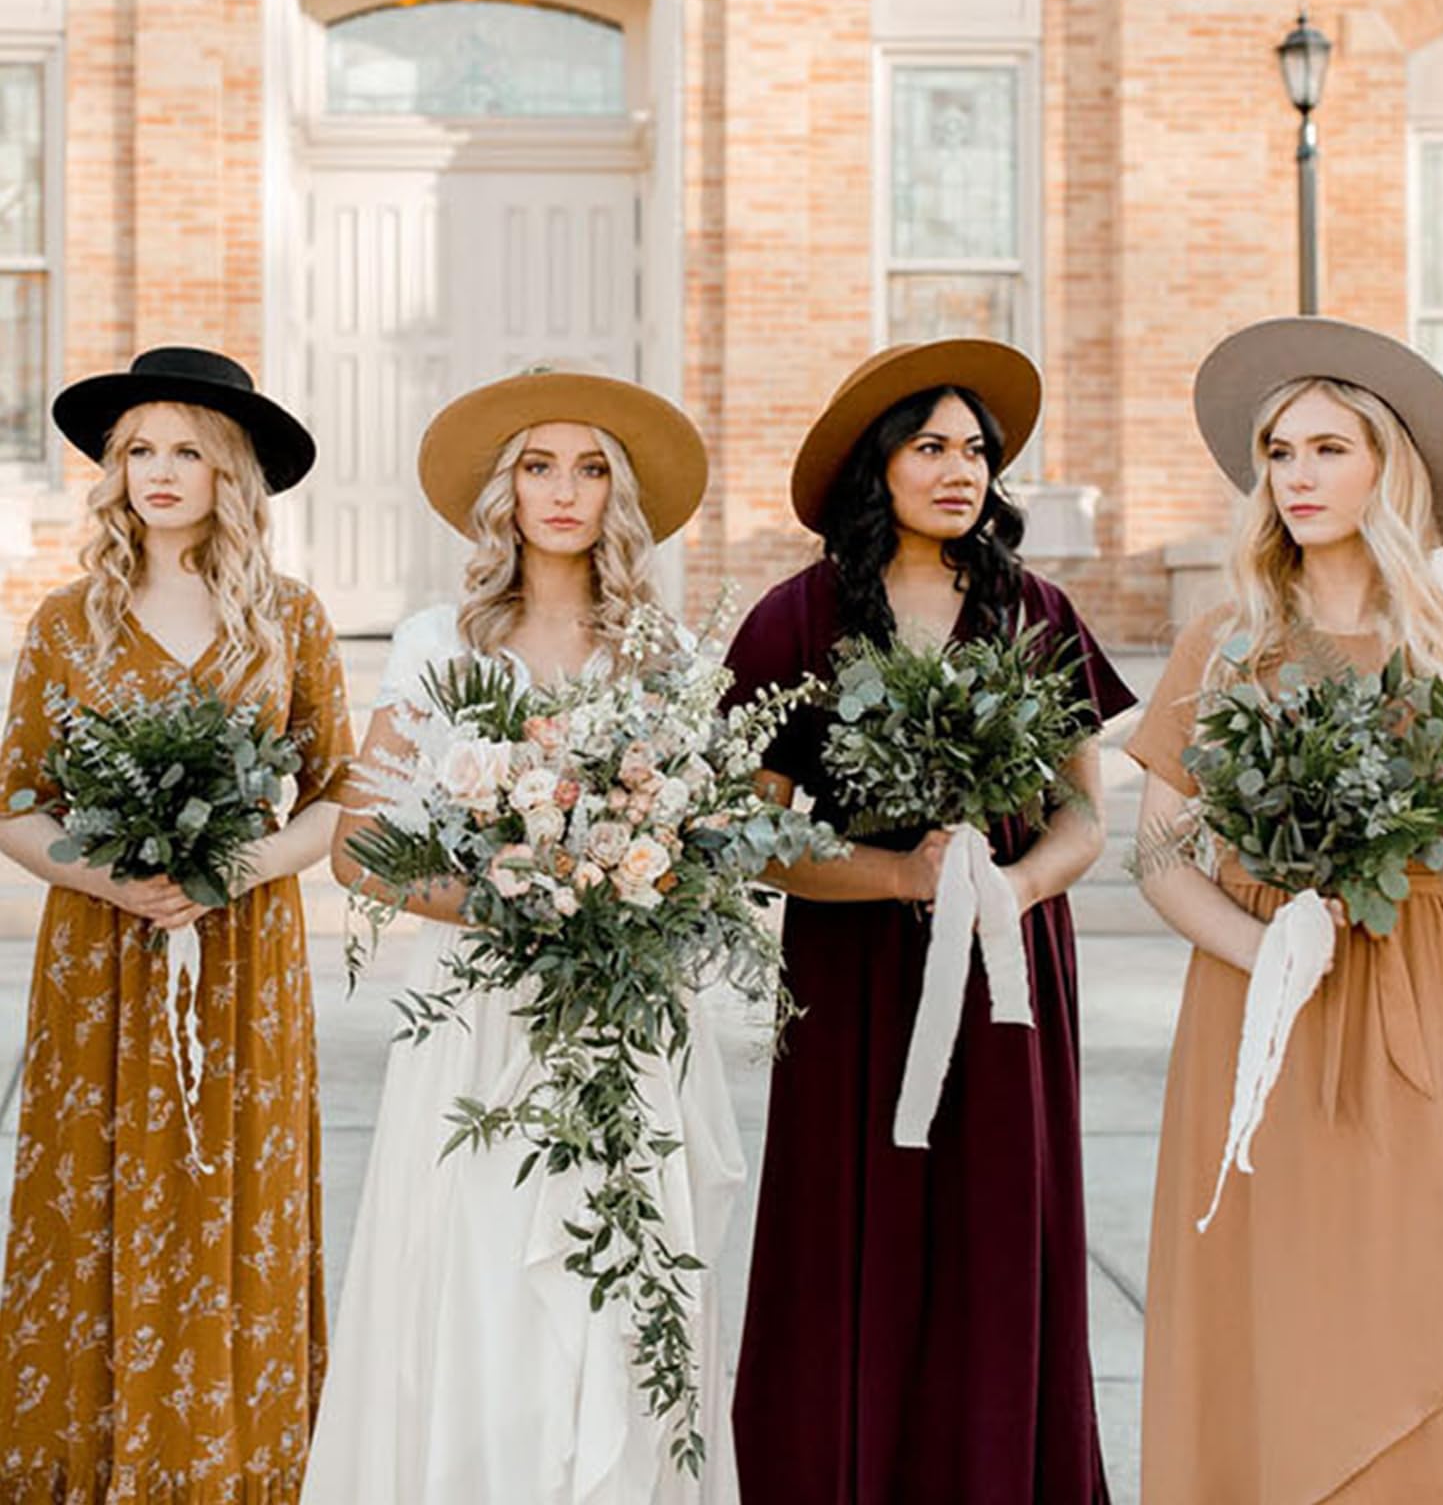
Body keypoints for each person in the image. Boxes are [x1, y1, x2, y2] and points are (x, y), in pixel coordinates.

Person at [1130, 316, 1443, 1505]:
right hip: (1252, 1020)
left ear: (1388, 467)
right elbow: (1158, 854)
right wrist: (1263, 943)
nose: (1298, 475)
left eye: (1329, 447)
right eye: (1279, 451)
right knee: (1265, 1328)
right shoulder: (1222, 645)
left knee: (1407, 1311)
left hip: (1416, 1017)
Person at [305, 366, 741, 1505]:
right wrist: (512, 905)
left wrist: (625, 892)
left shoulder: (668, 655)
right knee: (481, 1268)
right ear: (505, 491)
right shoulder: (437, 641)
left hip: (627, 1010)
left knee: (621, 1274)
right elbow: (359, 845)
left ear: (619, 494)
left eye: (591, 466)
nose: (563, 490)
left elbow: (709, 840)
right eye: (539, 465)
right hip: (481, 1008)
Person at [722, 337, 1135, 1505]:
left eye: (974, 450)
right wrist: (895, 875)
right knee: (848, 1229)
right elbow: (746, 835)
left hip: (1007, 968)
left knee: (999, 1229)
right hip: (855, 967)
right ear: (876, 465)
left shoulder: (1034, 608)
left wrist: (1008, 886)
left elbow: (1084, 820)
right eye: (928, 445)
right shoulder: (797, 616)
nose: (958, 469)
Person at [0, 345, 354, 1498]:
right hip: (100, 954)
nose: (159, 469)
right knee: (91, 1198)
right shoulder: (66, 621)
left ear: (229, 473)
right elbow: (14, 798)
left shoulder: (289, 619)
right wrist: (110, 876)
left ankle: (227, 1466)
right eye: (138, 448)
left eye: (187, 449)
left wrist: (234, 865)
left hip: (242, 951)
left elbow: (341, 793)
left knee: (230, 1200)